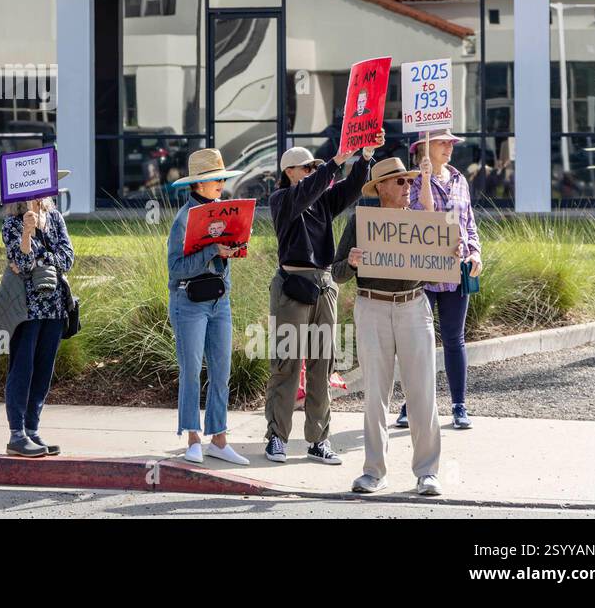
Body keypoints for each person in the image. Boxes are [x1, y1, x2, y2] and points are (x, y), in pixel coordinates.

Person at [264, 130, 382, 465]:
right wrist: (334, 163)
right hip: (293, 286)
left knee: (322, 366)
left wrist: (365, 158)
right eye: (307, 168)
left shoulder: (321, 201)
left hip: (324, 285)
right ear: (290, 172)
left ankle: (318, 440)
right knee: (286, 364)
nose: (314, 172)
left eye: (315, 168)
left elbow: (349, 189)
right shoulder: (282, 201)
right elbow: (308, 192)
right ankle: (277, 437)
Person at [333, 157, 443, 496]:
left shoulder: (423, 225)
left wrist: (450, 255)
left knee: (422, 392)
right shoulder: (360, 222)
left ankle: (427, 472)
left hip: (413, 307)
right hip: (372, 307)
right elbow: (336, 273)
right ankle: (373, 472)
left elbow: (439, 268)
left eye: (409, 182)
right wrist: (350, 262)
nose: (407, 187)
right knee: (375, 395)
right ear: (380, 187)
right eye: (399, 182)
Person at [165, 149, 249, 466]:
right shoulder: (184, 218)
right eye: (215, 179)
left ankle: (219, 438)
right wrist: (212, 250)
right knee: (191, 372)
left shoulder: (223, 211)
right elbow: (175, 268)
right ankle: (192, 438)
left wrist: (234, 248)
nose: (220, 184)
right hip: (188, 302)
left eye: (222, 179)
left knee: (221, 371)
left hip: (219, 300)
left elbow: (222, 257)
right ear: (198, 184)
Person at [396, 130, 484, 431]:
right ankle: (412, 405)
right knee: (419, 342)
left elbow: (469, 223)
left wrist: (475, 253)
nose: (449, 147)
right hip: (426, 272)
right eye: (443, 142)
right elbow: (422, 219)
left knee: (454, 339)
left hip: (456, 272)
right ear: (426, 147)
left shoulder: (460, 180)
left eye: (451, 143)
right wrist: (423, 181)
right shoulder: (414, 182)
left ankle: (459, 406)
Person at [1, 191, 75, 458]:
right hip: (25, 309)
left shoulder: (55, 218)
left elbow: (68, 258)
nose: (41, 195)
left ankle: (32, 429)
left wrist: (41, 259)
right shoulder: (12, 223)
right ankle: (16, 434)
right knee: (22, 369)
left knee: (43, 371)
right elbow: (20, 262)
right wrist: (27, 235)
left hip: (54, 307)